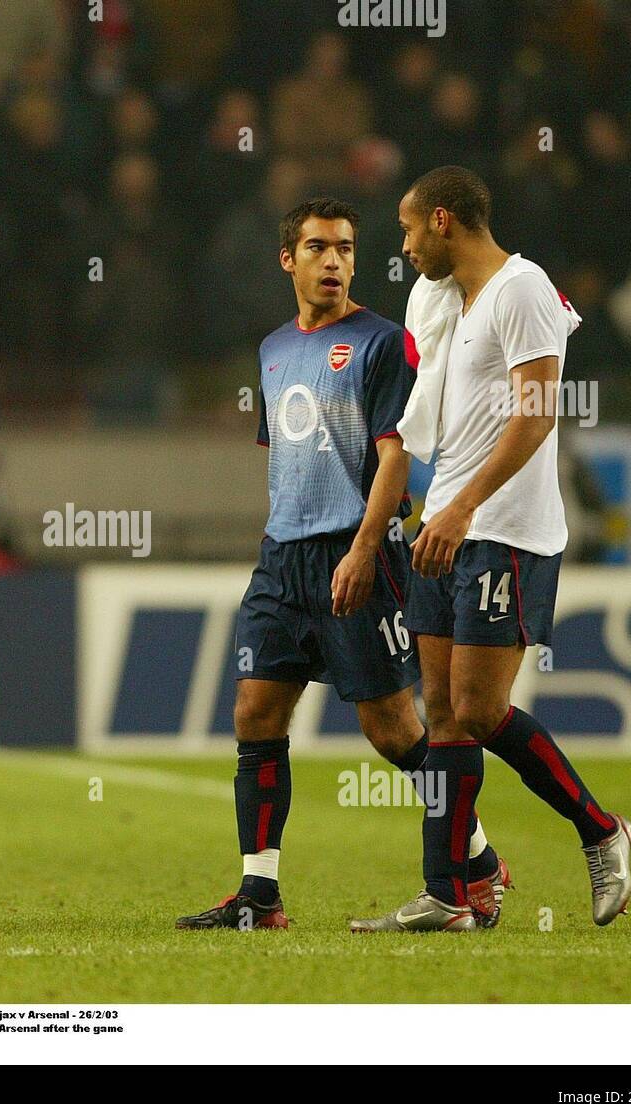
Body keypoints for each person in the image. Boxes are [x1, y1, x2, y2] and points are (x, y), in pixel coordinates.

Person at [176, 197, 509, 933]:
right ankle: (259, 895)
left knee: (392, 731)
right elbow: (290, 455)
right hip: (283, 559)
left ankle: (475, 857)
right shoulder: (270, 350)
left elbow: (397, 453)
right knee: (255, 712)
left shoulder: (384, 342)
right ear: (287, 259)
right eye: (320, 247)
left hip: (359, 554)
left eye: (348, 248)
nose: (335, 261)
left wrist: (363, 547)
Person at [357, 166, 631, 933]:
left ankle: (600, 828)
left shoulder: (525, 290)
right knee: (442, 711)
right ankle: (449, 893)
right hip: (445, 525)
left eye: (411, 229)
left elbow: (536, 417)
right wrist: (429, 505)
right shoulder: (442, 299)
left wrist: (464, 506)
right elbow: (434, 411)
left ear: (444, 220)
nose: (405, 246)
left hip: (506, 528)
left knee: (480, 710)